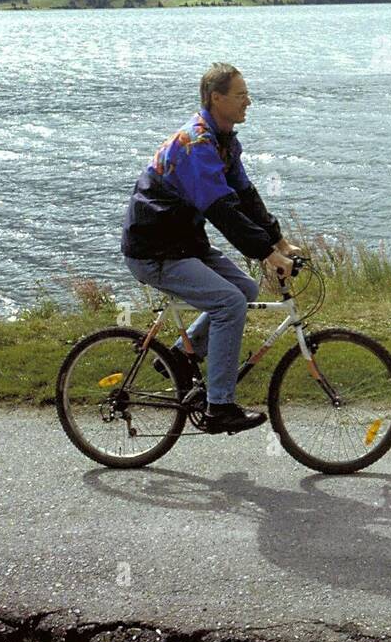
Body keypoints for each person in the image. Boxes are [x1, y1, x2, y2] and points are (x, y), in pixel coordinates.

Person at [121, 62, 298, 434]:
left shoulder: (224, 140)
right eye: (241, 95)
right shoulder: (197, 145)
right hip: (154, 250)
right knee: (228, 302)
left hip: (183, 244)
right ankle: (219, 406)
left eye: (247, 94)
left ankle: (179, 358)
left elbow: (245, 197)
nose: (248, 101)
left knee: (245, 289)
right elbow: (222, 211)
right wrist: (267, 254)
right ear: (216, 98)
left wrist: (279, 241)